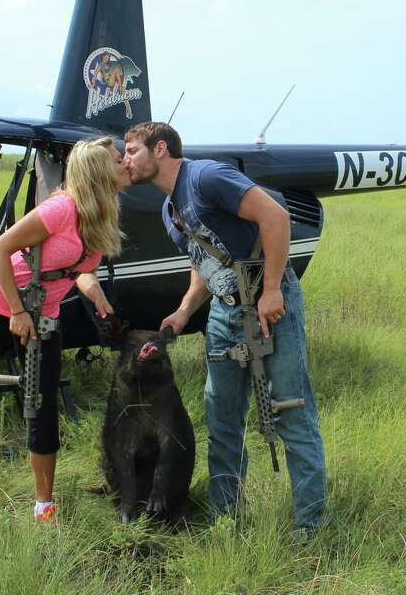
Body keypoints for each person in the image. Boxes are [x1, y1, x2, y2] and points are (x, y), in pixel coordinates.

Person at [122, 121, 327, 537]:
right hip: (224, 312)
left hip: (271, 305)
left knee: (291, 412)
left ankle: (311, 527)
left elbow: (276, 217)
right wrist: (184, 310)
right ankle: (225, 520)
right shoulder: (169, 210)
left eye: (131, 150)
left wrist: (272, 290)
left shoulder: (206, 177)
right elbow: (205, 261)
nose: (125, 160)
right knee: (222, 421)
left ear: (160, 149)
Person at [0, 136, 131, 522]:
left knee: (42, 404)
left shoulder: (100, 212)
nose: (127, 165)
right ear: (99, 171)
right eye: (119, 161)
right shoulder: (60, 210)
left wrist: (95, 292)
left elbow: (78, 269)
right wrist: (17, 312)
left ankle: (43, 507)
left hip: (44, 317)